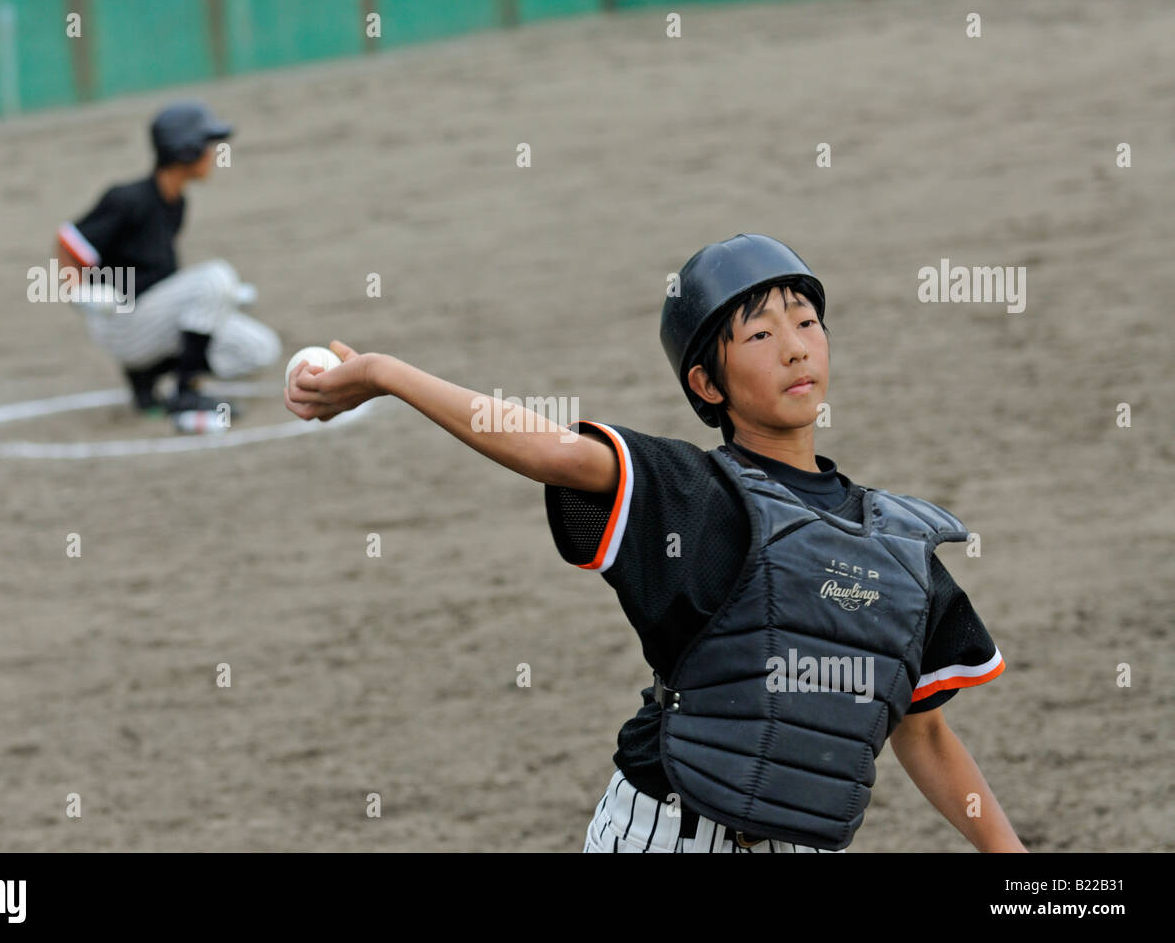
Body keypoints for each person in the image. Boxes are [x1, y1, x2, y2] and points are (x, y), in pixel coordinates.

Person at [282, 233, 1023, 853]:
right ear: (707, 383)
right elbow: (553, 452)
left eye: (806, 323)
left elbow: (923, 736)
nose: (795, 349)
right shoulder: (690, 490)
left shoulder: (896, 544)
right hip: (667, 830)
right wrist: (386, 374)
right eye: (760, 335)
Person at [55, 101, 281, 418]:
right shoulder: (128, 199)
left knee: (260, 349)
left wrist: (223, 297)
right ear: (185, 149)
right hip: (121, 322)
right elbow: (67, 242)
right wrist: (78, 292)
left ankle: (148, 375)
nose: (213, 154)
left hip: (153, 321)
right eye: (206, 145)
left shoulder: (176, 203)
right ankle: (187, 391)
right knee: (216, 276)